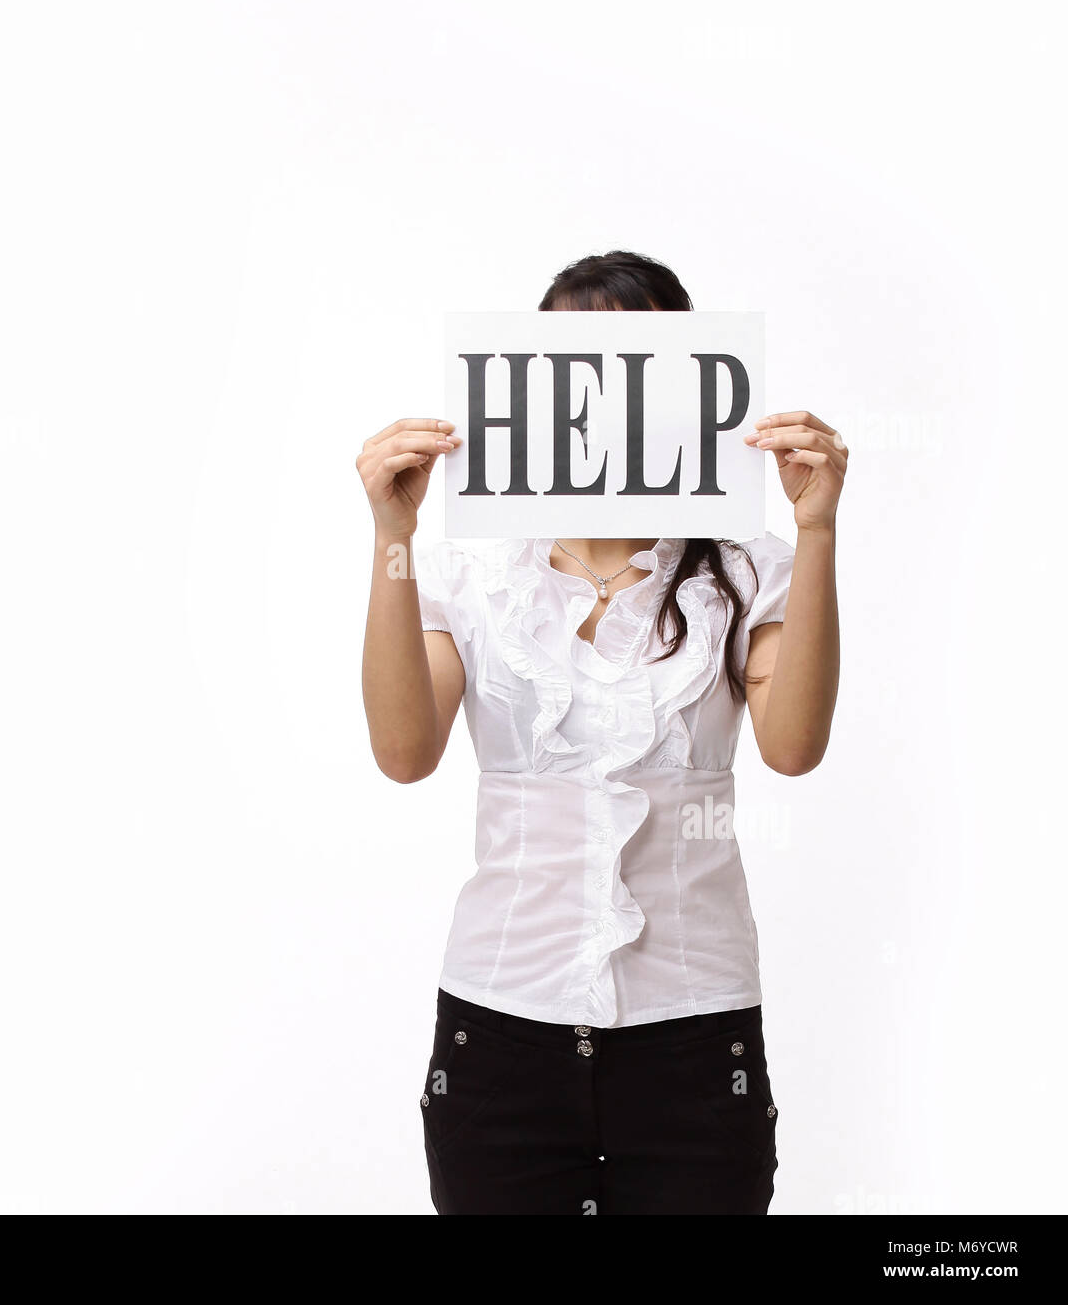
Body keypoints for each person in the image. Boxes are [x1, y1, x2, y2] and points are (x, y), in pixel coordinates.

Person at [357, 250, 844, 1215]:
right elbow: (404, 754)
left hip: (695, 1030)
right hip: (500, 1026)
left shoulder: (745, 571)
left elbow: (792, 746)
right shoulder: (473, 576)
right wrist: (392, 539)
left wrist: (820, 532)